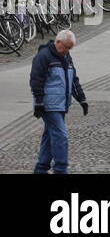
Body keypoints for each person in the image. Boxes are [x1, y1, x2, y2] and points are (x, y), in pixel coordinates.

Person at [29, 29, 87, 174]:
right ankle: (61, 169)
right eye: (66, 47)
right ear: (58, 42)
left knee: (50, 135)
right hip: (48, 104)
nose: (67, 51)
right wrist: (39, 102)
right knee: (61, 135)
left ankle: (41, 168)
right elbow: (36, 81)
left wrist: (81, 98)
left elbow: (73, 79)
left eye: (70, 48)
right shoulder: (43, 56)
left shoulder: (66, 56)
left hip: (61, 103)